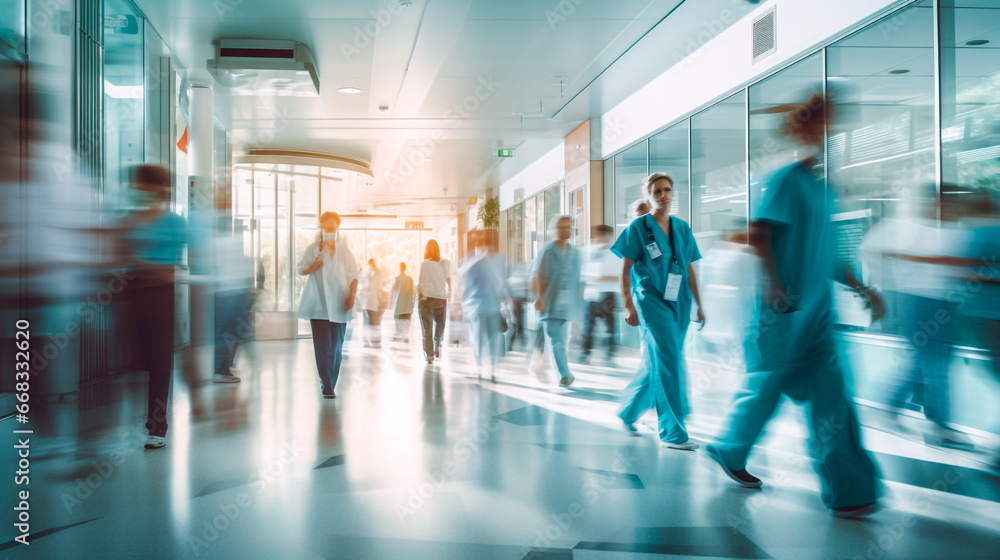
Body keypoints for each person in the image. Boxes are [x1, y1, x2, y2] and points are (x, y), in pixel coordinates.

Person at [705, 93, 882, 518]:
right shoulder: (783, 180)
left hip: (818, 315)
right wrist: (773, 285)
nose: (829, 132)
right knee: (765, 390)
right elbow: (759, 234)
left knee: (833, 398)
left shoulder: (824, 190)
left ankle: (851, 490)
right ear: (803, 128)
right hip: (782, 312)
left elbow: (828, 255)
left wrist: (862, 287)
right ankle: (731, 449)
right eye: (821, 124)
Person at [612, 174, 705, 450]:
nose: (663, 195)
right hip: (650, 300)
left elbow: (689, 269)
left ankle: (629, 411)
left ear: (673, 192)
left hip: (680, 301)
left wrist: (699, 303)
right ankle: (672, 432)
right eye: (657, 191)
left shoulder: (683, 228)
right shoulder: (638, 227)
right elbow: (625, 270)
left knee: (661, 359)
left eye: (667, 190)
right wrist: (628, 304)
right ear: (649, 194)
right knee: (668, 360)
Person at [120, 165, 187, 449]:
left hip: (160, 295)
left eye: (144, 185)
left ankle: (157, 426)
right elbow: (119, 250)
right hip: (131, 291)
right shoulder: (129, 220)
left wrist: (144, 263)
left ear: (158, 188)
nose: (139, 191)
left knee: (159, 364)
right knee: (134, 361)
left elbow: (169, 267)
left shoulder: (173, 222)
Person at [297, 212, 359, 398]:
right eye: (326, 228)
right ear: (321, 228)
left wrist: (352, 295)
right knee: (323, 346)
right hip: (319, 304)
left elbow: (354, 275)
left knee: (337, 347)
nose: (329, 231)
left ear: (337, 229)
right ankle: (327, 384)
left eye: (332, 228)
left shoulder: (345, 251)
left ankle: (330, 380)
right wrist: (312, 268)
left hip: (341, 304)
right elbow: (300, 269)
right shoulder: (313, 249)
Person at [531, 216, 583, 387]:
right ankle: (564, 374)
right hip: (550, 302)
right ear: (556, 230)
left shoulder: (575, 253)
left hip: (567, 305)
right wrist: (539, 298)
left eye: (568, 227)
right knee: (556, 339)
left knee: (560, 340)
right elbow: (538, 276)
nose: (565, 230)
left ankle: (538, 366)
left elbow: (577, 280)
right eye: (561, 227)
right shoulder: (547, 251)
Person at [460, 229, 509, 382]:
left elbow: (466, 285)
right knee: (493, 338)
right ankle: (493, 370)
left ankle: (480, 369)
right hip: (493, 306)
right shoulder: (498, 259)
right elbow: (502, 283)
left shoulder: (474, 261)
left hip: (477, 307)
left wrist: (462, 305)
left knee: (478, 339)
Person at [582, 225, 620, 363]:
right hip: (592, 294)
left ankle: (610, 352)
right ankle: (586, 353)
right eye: (598, 234)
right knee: (589, 326)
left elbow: (618, 275)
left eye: (603, 234)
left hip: (608, 294)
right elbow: (583, 272)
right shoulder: (590, 250)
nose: (600, 238)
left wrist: (598, 277)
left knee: (609, 326)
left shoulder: (615, 252)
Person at [418, 239, 451, 364]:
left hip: (425, 299)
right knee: (440, 324)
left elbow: (420, 284)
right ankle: (437, 344)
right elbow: (449, 281)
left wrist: (420, 296)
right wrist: (451, 295)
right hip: (440, 299)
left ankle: (429, 356)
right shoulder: (445, 263)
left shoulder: (424, 264)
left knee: (426, 328)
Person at [359, 258, 384, 347]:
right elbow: (377, 286)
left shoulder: (367, 272)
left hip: (368, 301)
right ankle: (373, 339)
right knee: (373, 320)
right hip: (371, 301)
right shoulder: (374, 272)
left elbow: (364, 285)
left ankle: (369, 339)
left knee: (368, 320)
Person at [391, 262, 415, 343]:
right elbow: (412, 292)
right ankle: (405, 337)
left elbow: (393, 291)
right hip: (407, 305)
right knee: (406, 323)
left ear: (399, 268)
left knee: (399, 324)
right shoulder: (410, 279)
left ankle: (400, 336)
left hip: (399, 305)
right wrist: (413, 303)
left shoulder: (396, 279)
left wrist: (390, 303)